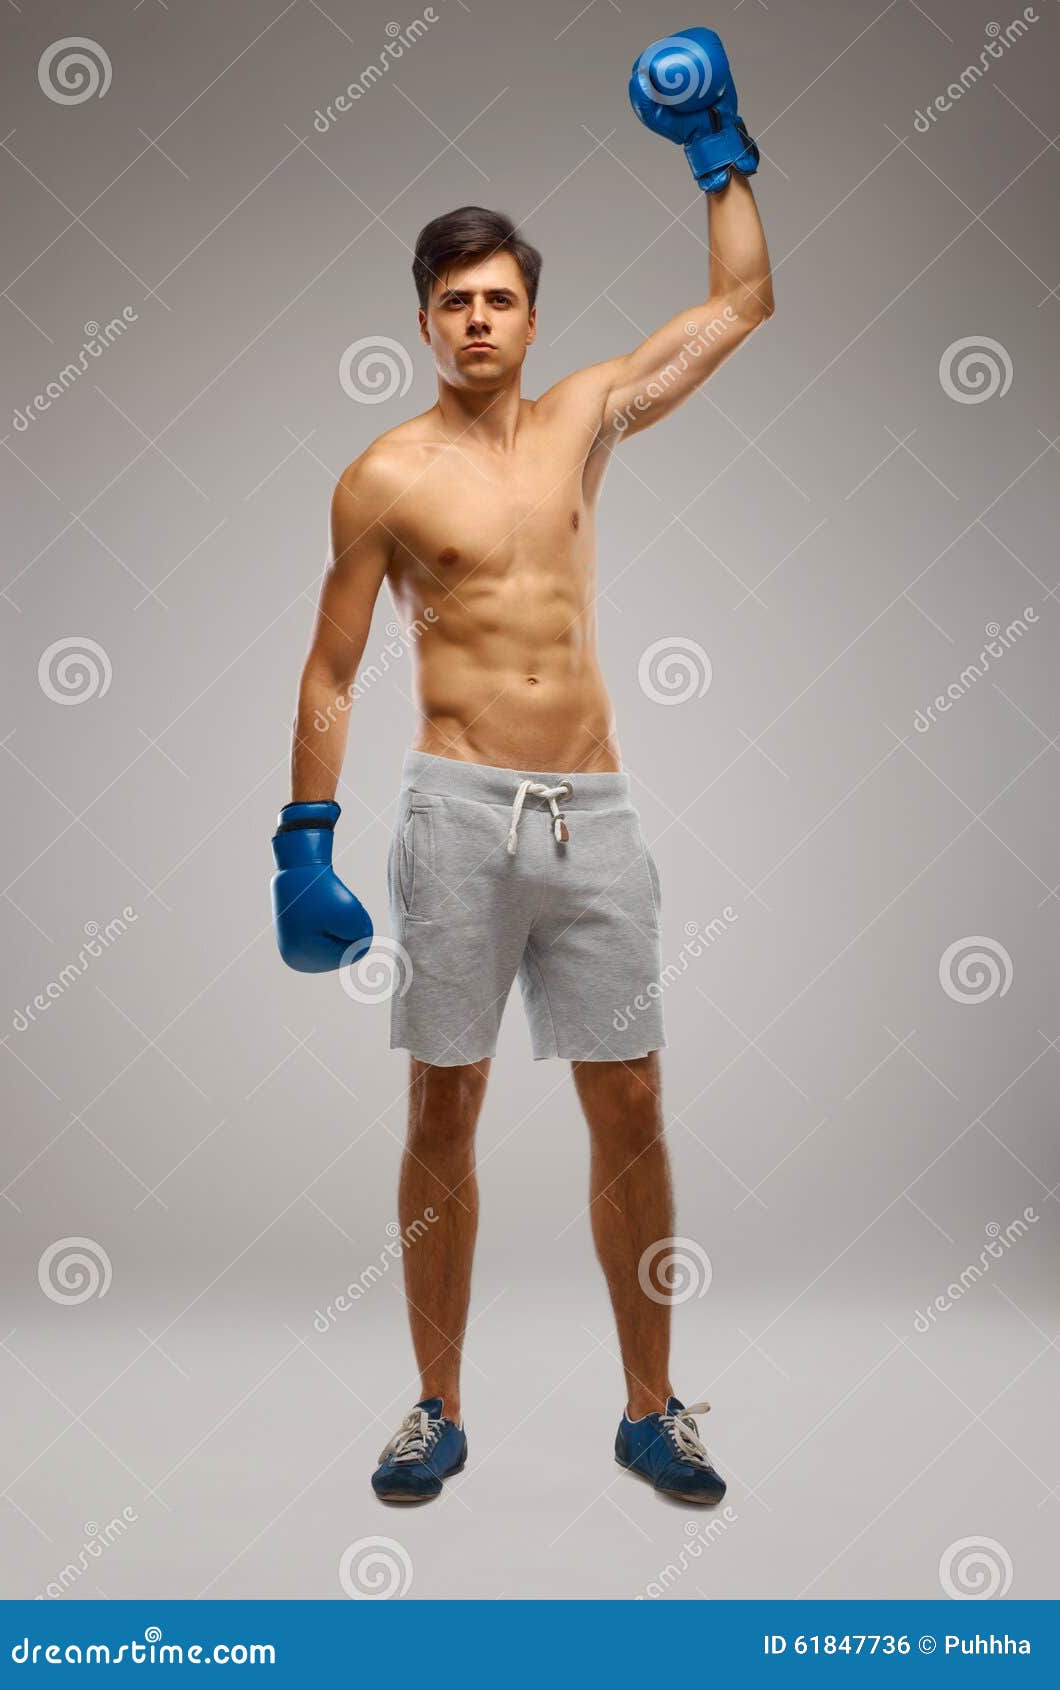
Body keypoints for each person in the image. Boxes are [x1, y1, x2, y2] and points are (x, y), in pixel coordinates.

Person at [271, 27, 773, 1505]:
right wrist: (302, 840)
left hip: (595, 816)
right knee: (443, 1105)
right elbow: (332, 665)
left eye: (499, 298)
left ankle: (650, 1406)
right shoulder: (382, 476)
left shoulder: (585, 421)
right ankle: (435, 1405)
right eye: (453, 302)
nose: (478, 320)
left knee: (632, 1105)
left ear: (532, 318)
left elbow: (743, 299)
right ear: (425, 324)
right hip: (454, 815)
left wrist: (717, 149)